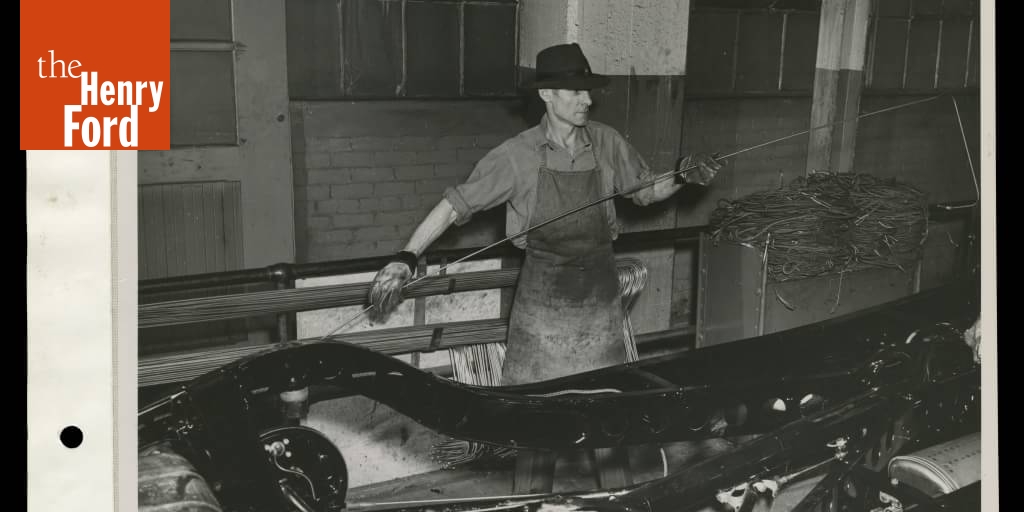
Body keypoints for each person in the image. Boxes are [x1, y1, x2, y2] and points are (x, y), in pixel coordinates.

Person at [367, 42, 723, 493]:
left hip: (599, 307)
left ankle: (617, 501)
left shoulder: (606, 142)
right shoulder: (516, 156)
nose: (587, 100)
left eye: (588, 91)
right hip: (541, 311)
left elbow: (646, 191)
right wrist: (407, 256)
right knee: (537, 428)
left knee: (610, 422)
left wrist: (682, 175)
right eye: (575, 92)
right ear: (547, 95)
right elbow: (455, 205)